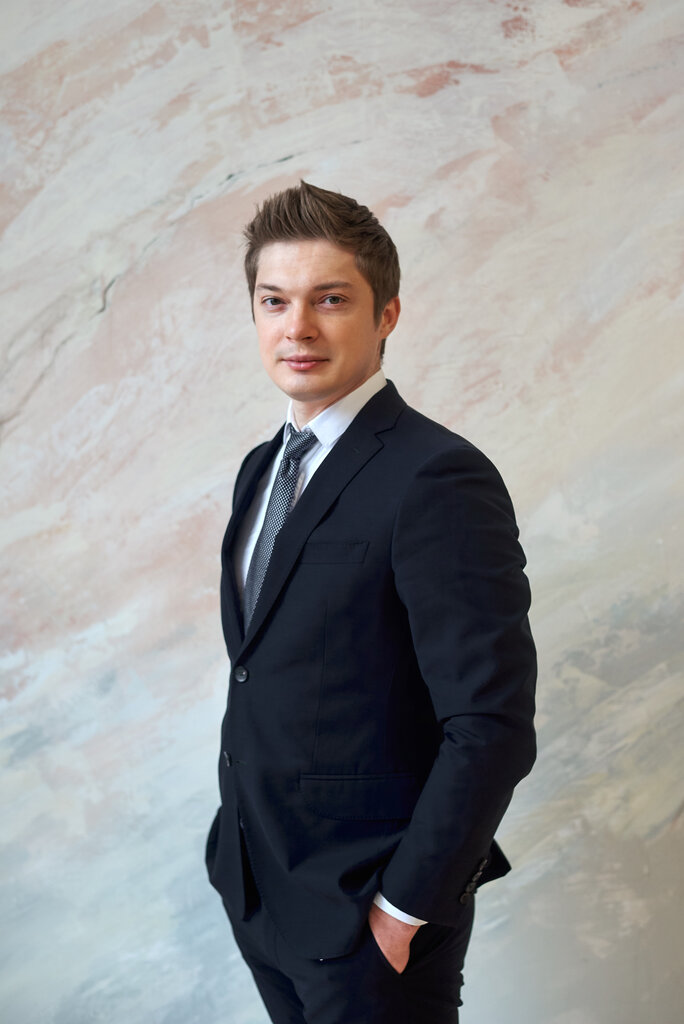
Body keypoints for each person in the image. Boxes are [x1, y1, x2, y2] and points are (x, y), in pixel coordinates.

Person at [205, 181, 537, 1024]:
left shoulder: (436, 476)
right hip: (261, 893)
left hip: (369, 922)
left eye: (330, 299)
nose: (298, 328)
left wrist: (403, 907)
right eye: (275, 301)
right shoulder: (261, 470)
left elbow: (492, 723)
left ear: (387, 314)